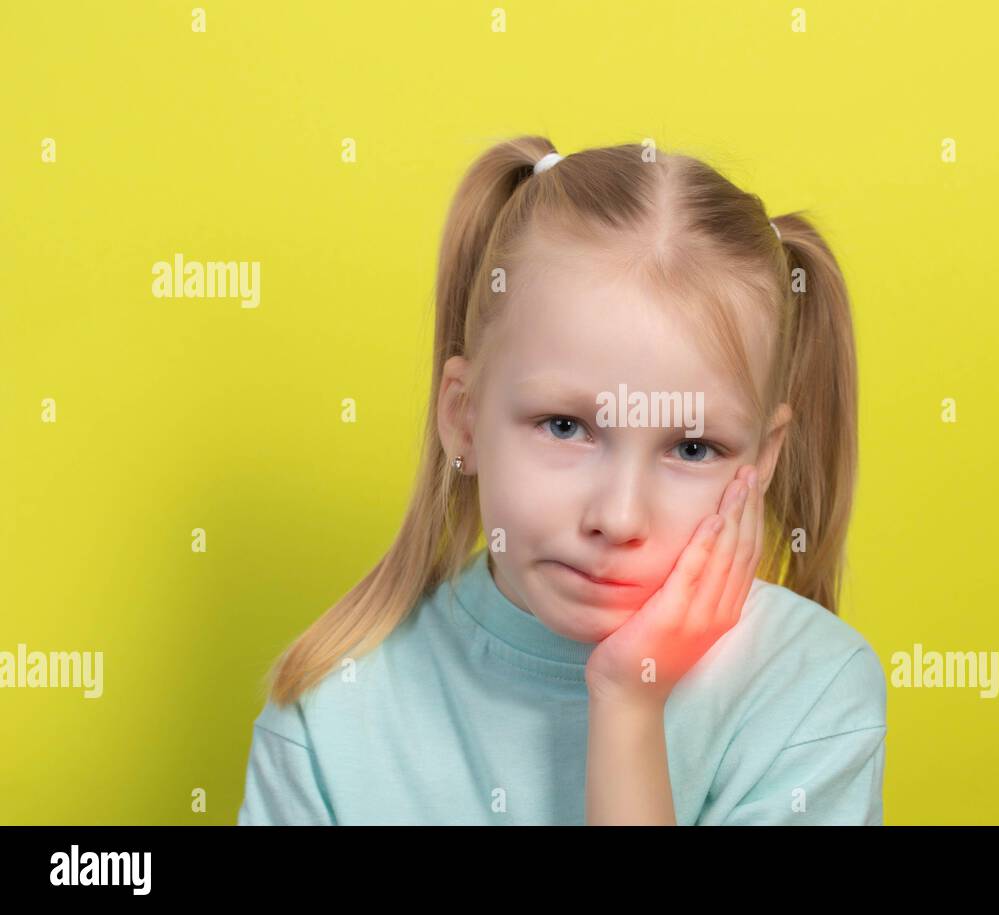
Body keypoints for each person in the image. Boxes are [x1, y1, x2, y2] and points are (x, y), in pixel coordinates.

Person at [236, 137, 886, 825]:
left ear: (764, 459)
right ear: (463, 417)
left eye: (693, 447)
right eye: (566, 426)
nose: (619, 514)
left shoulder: (812, 693)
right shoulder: (334, 716)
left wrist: (628, 705)